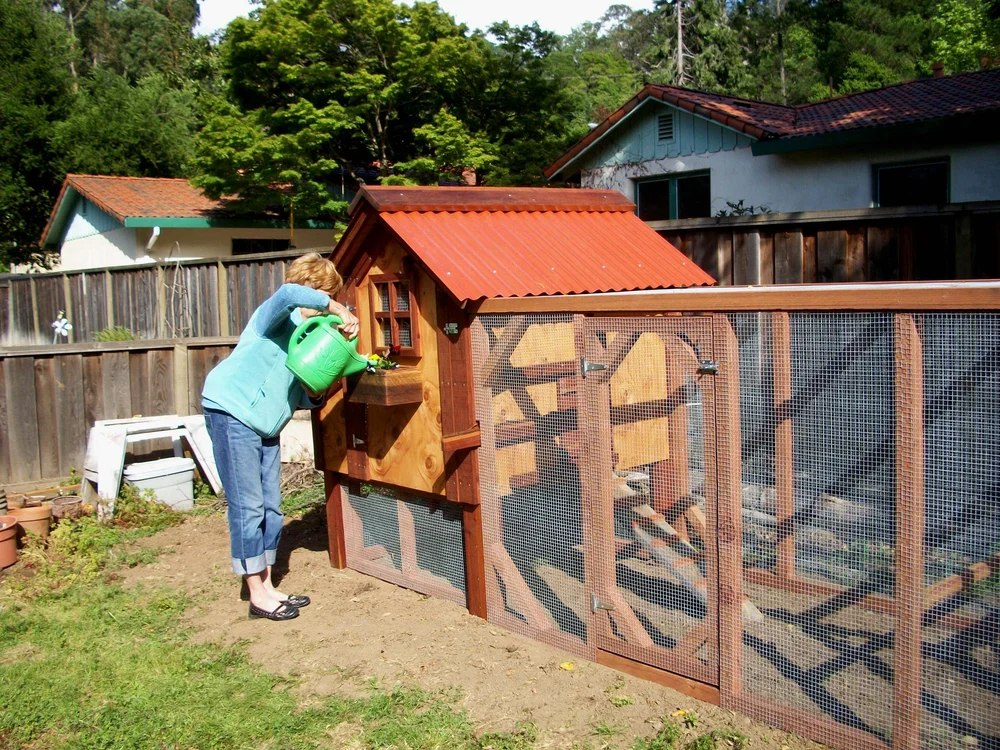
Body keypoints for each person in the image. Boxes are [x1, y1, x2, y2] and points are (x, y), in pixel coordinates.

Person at [201, 252, 360, 621]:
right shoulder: (272, 319)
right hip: (232, 410)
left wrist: (322, 386)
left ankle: (267, 584)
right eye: (322, 295)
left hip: (266, 425)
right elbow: (288, 294)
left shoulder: (310, 337)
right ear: (312, 290)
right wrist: (338, 307)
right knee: (248, 506)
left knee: (272, 507)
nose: (323, 308)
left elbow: (303, 393)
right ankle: (256, 594)